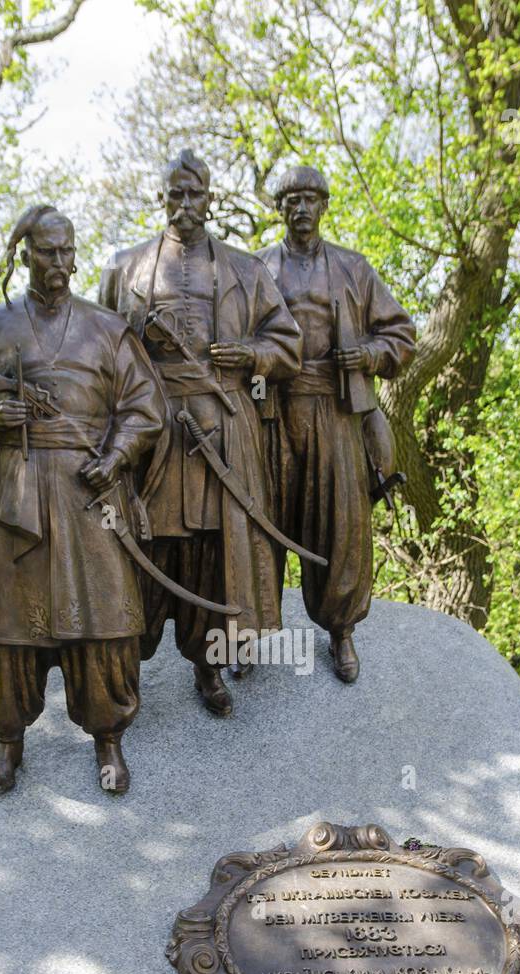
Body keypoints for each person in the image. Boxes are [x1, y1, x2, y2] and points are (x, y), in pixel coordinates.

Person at [0, 205, 168, 794]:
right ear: (24, 255)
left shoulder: (108, 330)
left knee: (105, 624)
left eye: (67, 251)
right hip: (14, 496)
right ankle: (8, 742)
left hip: (88, 494)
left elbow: (145, 409)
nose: (59, 264)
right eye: (47, 252)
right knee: (4, 631)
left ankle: (108, 738)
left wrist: (114, 457)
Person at [99, 149, 302, 714]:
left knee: (215, 553)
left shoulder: (245, 269)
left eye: (195, 195)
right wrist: (137, 327)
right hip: (154, 431)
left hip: (220, 425)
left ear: (210, 199)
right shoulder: (125, 268)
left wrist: (250, 353)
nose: (185, 206)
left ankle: (207, 666)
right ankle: (127, 668)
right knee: (145, 545)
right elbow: (99, 351)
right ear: (162, 198)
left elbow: (288, 345)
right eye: (175, 195)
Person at [259, 166, 416, 683]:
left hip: (337, 410)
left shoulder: (353, 268)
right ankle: (251, 633)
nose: (301, 208)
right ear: (279, 209)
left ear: (324, 206)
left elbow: (401, 337)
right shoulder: (256, 269)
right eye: (291, 200)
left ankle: (341, 631)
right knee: (263, 522)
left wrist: (367, 353)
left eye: (310, 199)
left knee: (341, 526)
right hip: (273, 413)